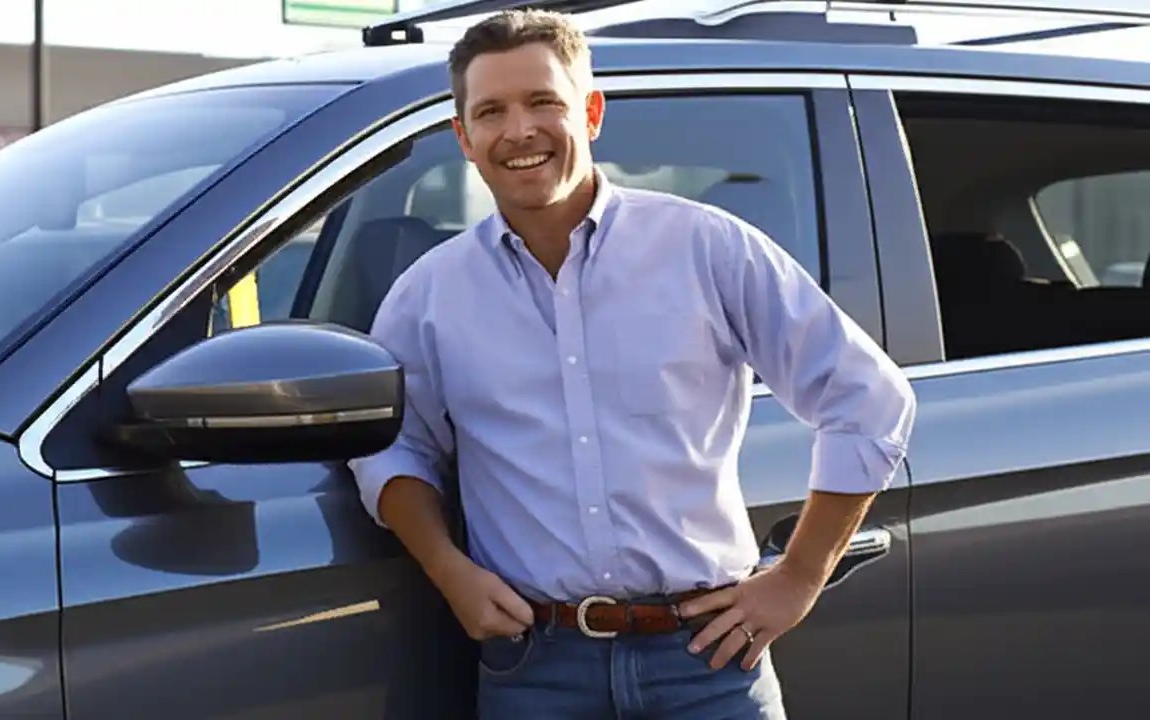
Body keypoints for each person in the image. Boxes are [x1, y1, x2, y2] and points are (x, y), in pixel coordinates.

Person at [348, 8, 917, 719]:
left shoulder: (705, 249)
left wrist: (800, 577)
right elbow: (392, 443)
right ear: (464, 136)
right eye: (491, 110)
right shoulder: (429, 294)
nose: (519, 129)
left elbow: (868, 398)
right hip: (535, 665)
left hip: (707, 660)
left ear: (590, 111)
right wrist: (447, 568)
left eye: (543, 102)